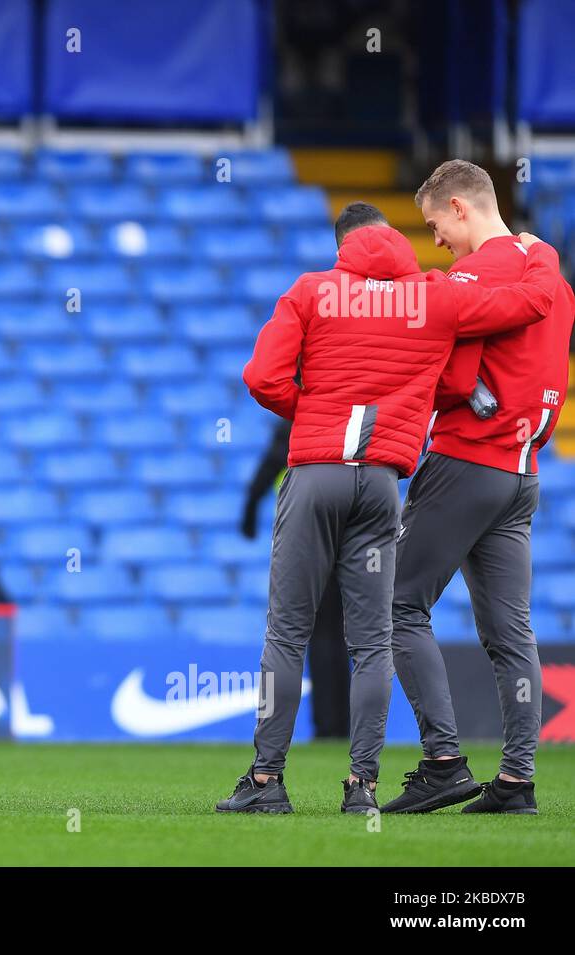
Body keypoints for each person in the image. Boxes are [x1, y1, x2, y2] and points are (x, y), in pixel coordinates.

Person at [219, 201, 560, 815]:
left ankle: (266, 784)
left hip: (315, 475)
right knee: (373, 640)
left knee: (287, 633)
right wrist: (541, 254)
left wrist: (319, 412)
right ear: (398, 244)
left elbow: (262, 378)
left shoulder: (312, 291)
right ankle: (363, 791)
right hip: (382, 483)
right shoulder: (433, 296)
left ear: (343, 246)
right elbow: (532, 303)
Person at [383, 161, 575, 815]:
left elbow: (448, 376)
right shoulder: (548, 274)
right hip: (522, 474)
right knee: (511, 633)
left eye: (436, 224)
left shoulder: (469, 275)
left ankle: (443, 761)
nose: (435, 240)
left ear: (462, 208)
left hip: (466, 463)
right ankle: (518, 781)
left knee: (397, 605)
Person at [240, 420, 349, 739]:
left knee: (305, 633)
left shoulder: (296, 418)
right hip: (348, 531)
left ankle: (318, 727)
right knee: (341, 634)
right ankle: (342, 726)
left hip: (305, 533)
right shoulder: (343, 412)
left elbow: (272, 461)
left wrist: (248, 512)